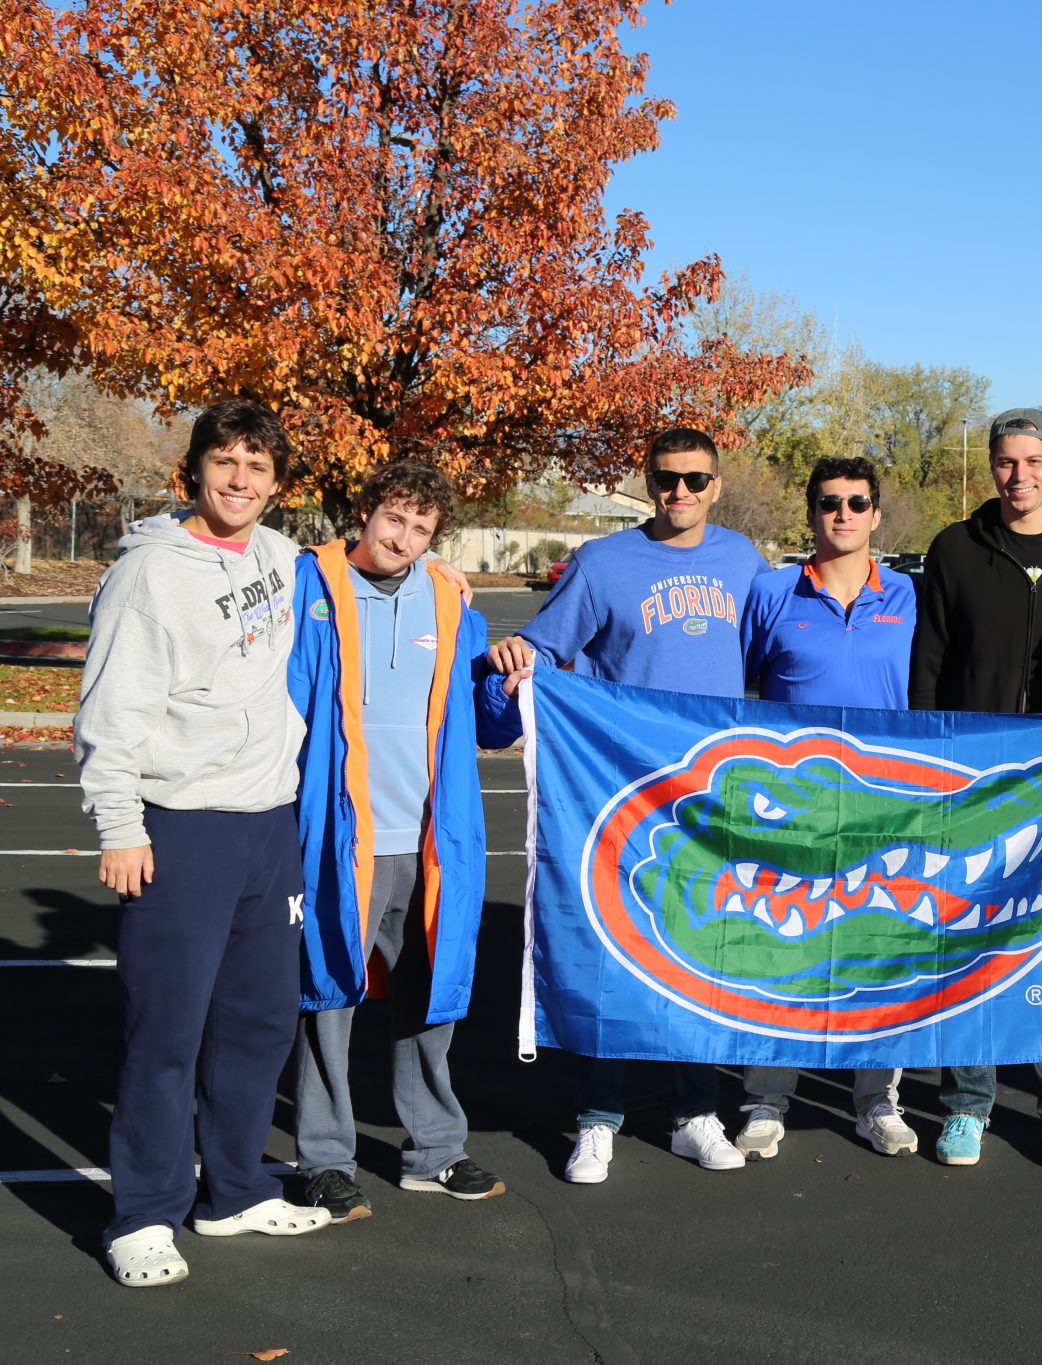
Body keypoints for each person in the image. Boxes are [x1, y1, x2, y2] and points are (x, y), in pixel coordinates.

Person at [78, 399, 332, 1287]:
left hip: (269, 822)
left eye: (257, 466)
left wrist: (436, 571)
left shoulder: (280, 555)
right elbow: (110, 710)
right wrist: (121, 825)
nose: (239, 479)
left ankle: (233, 1190)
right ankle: (143, 1215)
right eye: (224, 461)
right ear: (194, 470)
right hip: (181, 824)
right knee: (167, 1031)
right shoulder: (149, 574)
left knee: (257, 1025)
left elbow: (369, 565)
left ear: (277, 483)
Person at [489, 426, 771, 1183]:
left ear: (717, 485)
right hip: (621, 788)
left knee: (704, 953)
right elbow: (545, 647)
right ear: (647, 482)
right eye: (666, 477)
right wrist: (514, 656)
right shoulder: (603, 562)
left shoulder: (743, 561)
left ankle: (695, 1113)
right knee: (612, 952)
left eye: (696, 479)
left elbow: (782, 652)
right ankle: (597, 1118)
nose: (681, 491)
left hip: (712, 793)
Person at [288, 461, 524, 1221]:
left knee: (431, 999)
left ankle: (434, 1151)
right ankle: (325, 1160)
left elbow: (489, 726)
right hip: (339, 834)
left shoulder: (450, 600)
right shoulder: (308, 584)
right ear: (365, 510)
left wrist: (507, 680)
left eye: (423, 529)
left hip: (430, 838)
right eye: (395, 518)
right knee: (326, 997)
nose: (404, 538)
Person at [909, 407, 1042, 1172]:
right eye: (1006, 461)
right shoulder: (955, 547)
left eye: (1033, 461)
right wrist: (928, 766)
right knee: (969, 937)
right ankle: (967, 1102)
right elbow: (930, 661)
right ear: (991, 467)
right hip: (972, 775)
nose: (1018, 475)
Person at [733, 455, 922, 1159]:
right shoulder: (771, 592)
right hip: (793, 806)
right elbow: (727, 690)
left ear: (877, 514)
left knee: (880, 950)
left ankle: (877, 1100)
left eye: (857, 502)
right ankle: (765, 1098)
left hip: (885, 804)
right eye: (829, 502)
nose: (843, 514)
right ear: (811, 512)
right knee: (784, 948)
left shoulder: (908, 595)